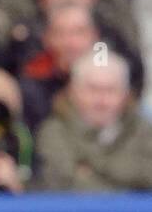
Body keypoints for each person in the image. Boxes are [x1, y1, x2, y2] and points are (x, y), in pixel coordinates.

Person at [34, 53, 152, 192]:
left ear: (125, 94)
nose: (101, 100)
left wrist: (89, 168)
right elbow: (60, 182)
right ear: (73, 91)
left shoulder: (144, 130)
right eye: (93, 89)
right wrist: (127, 182)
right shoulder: (54, 131)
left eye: (111, 90)